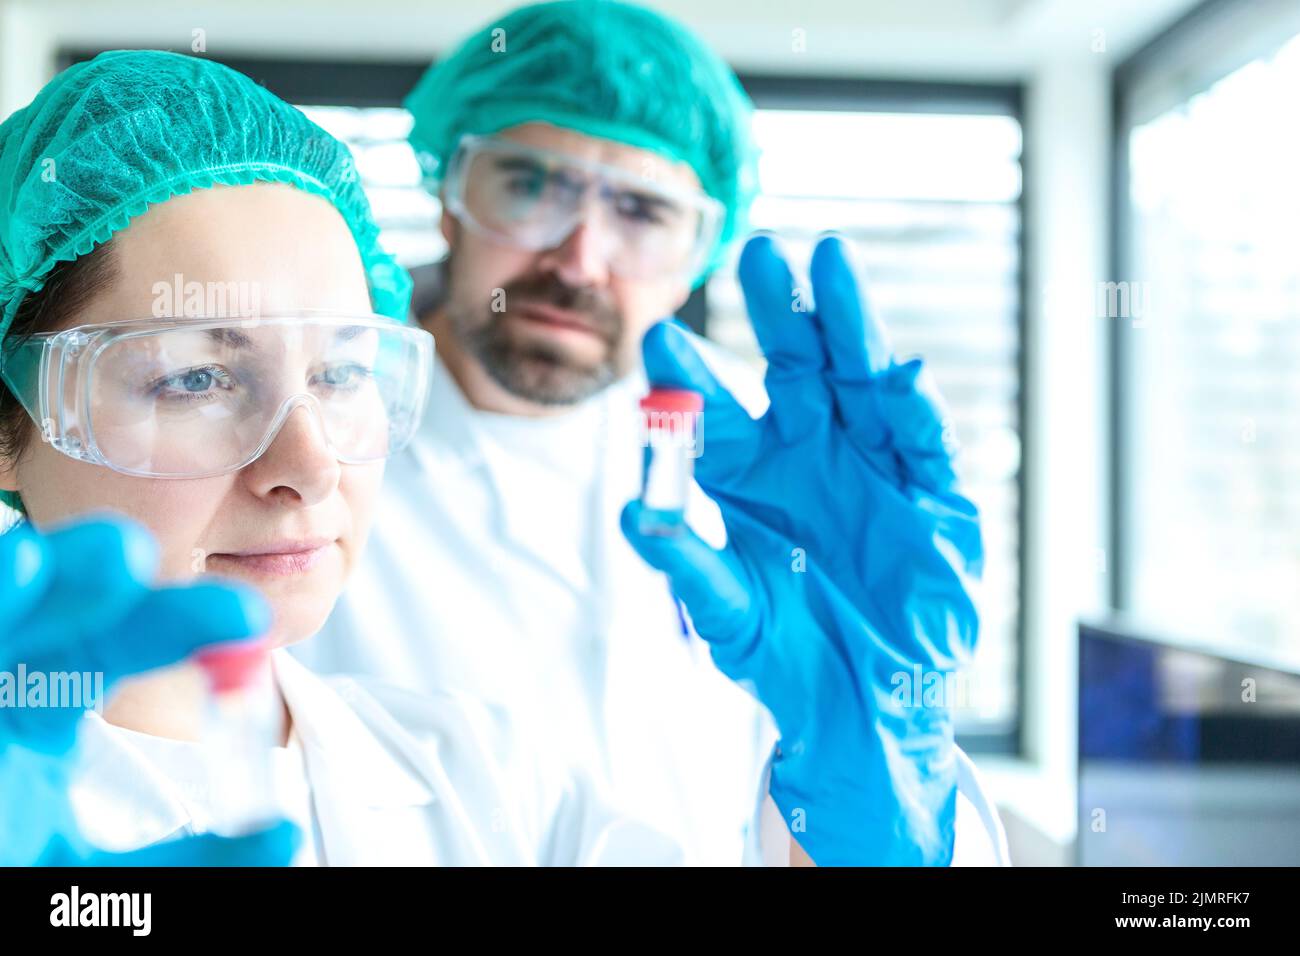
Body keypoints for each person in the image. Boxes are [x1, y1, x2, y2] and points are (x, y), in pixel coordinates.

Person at [1, 49, 995, 866]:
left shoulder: (489, 778)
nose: (307, 464)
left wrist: (876, 830)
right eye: (191, 378)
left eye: (344, 372)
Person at [294, 0, 1009, 864]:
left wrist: (887, 820)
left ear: (695, 261)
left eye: (641, 211)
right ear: (450, 197)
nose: (579, 260)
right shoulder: (304, 436)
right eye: (528, 184)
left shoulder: (774, 457)